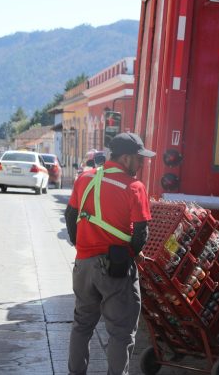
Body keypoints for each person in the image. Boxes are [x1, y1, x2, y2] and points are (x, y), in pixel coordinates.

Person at [65, 133, 155, 375]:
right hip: (115, 269)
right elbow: (141, 234)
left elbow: (70, 216)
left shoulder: (85, 179)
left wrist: (81, 245)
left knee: (82, 325)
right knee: (121, 332)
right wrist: (130, 254)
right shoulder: (134, 188)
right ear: (126, 158)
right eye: (139, 159)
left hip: (83, 264)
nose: (142, 164)